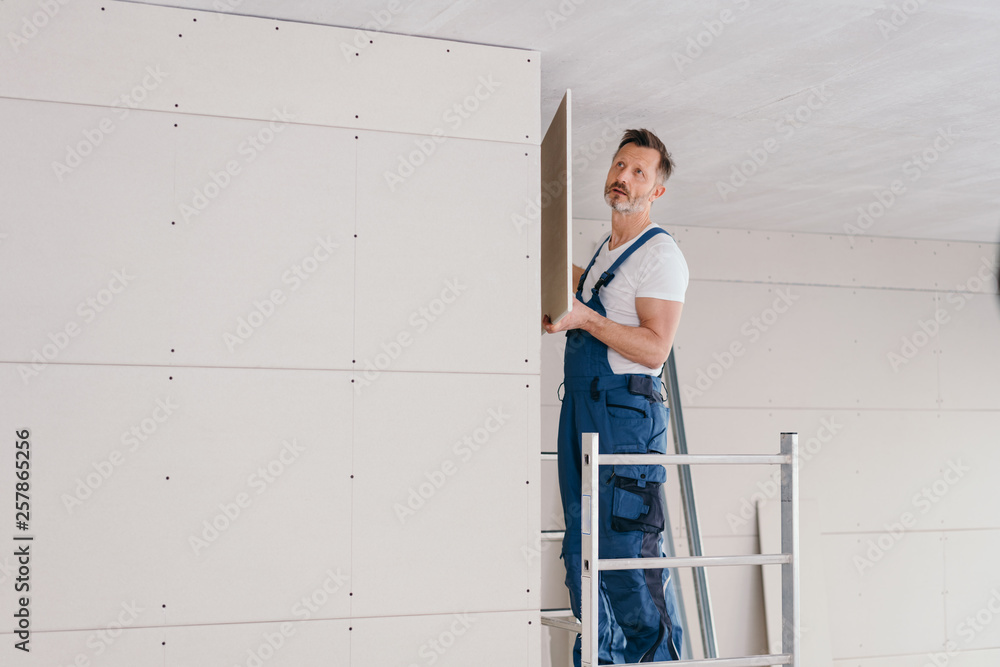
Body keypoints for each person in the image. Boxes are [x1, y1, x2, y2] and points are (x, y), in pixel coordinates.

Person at [543, 128, 688, 665]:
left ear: (657, 191)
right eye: (620, 165)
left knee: (626, 557)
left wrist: (583, 317)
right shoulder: (605, 251)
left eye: (639, 173)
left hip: (626, 414)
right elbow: (595, 300)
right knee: (582, 552)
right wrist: (562, 293)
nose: (624, 177)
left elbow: (654, 349)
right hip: (581, 408)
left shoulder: (661, 256)